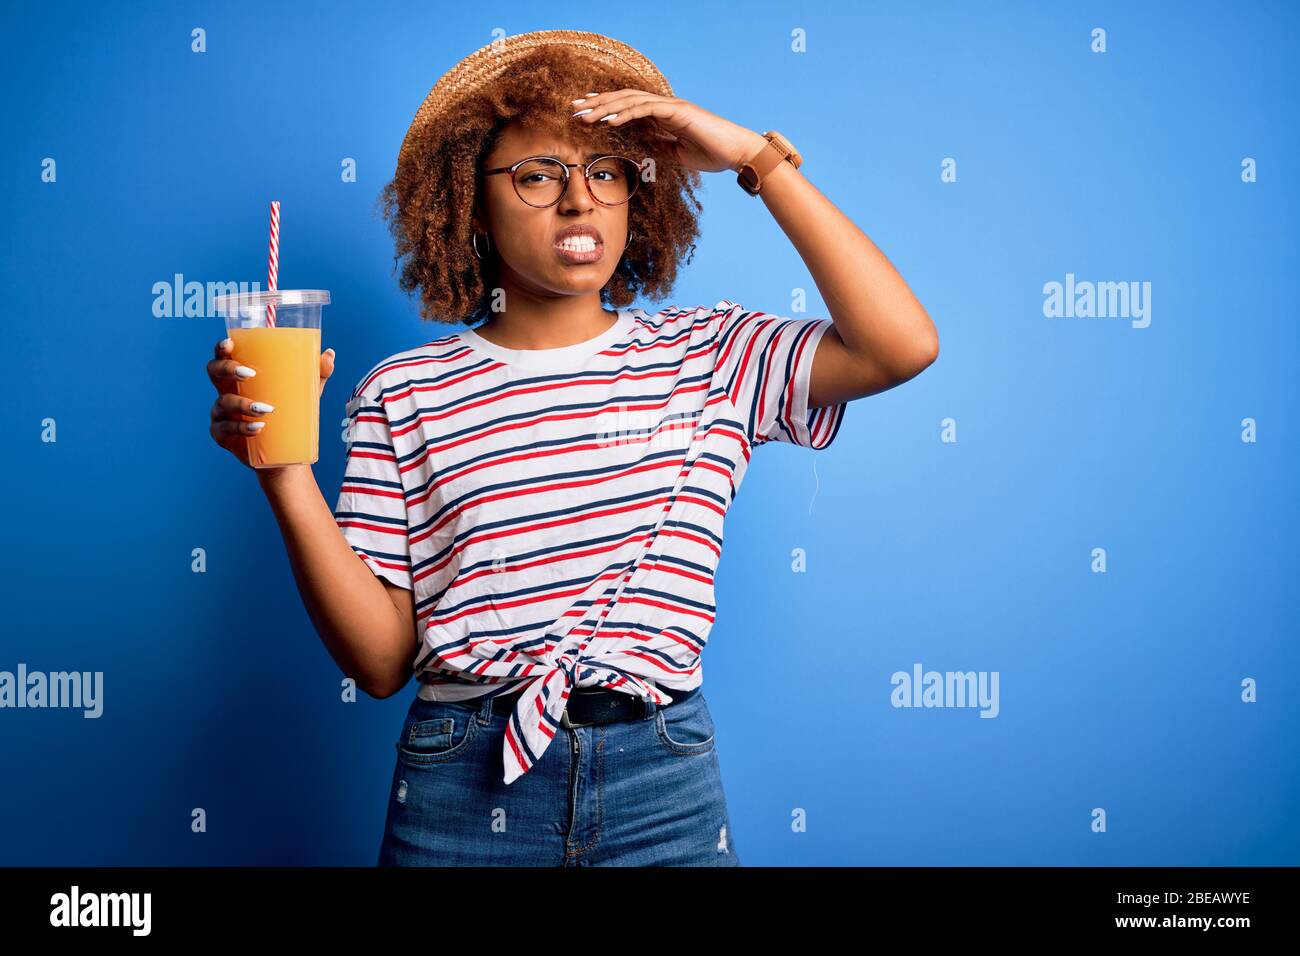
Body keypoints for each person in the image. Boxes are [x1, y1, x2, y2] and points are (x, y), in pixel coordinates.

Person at [206, 29, 938, 866]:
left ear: (640, 194)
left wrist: (753, 159)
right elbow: (378, 662)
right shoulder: (401, 392)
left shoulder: (711, 357)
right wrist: (285, 475)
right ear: (470, 204)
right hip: (460, 778)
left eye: (606, 171)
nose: (579, 200)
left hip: (661, 780)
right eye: (537, 175)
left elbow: (900, 345)